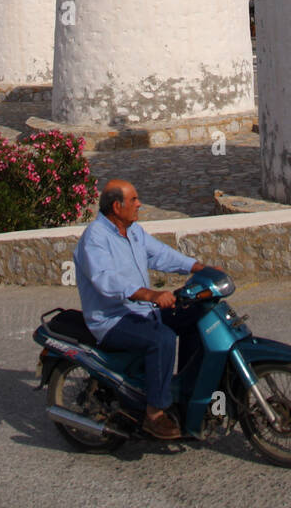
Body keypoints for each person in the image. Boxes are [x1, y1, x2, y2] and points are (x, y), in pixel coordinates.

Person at [74, 179, 205, 440]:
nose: (139, 204)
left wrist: (197, 267)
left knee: (197, 316)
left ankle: (186, 392)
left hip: (142, 310)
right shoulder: (95, 239)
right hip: (112, 319)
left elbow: (160, 255)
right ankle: (154, 414)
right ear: (116, 206)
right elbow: (106, 281)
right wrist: (151, 294)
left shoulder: (132, 231)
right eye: (133, 200)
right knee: (162, 339)